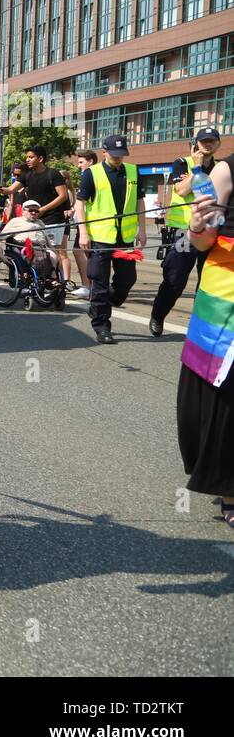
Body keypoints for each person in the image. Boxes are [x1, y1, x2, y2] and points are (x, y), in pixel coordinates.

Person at [176, 155, 234, 529]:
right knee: (227, 393)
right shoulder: (227, 170)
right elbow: (203, 238)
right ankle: (230, 488)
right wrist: (198, 226)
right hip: (228, 295)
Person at [75, 134, 146, 344]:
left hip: (125, 238)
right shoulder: (91, 174)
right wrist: (84, 233)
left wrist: (142, 229)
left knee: (127, 279)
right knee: (99, 282)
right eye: (114, 155)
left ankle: (103, 303)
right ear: (104, 152)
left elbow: (139, 202)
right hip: (100, 238)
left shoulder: (133, 171)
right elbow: (80, 204)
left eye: (121, 155)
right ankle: (102, 326)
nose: (118, 158)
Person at [151, 129, 222, 336]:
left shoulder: (221, 167)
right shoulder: (183, 163)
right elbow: (182, 190)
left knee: (208, 282)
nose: (207, 145)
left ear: (218, 144)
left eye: (211, 141)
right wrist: (197, 168)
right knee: (175, 280)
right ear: (196, 143)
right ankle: (158, 315)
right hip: (184, 231)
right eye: (203, 141)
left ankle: (199, 325)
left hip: (212, 230)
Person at [19, 145, 71, 284]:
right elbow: (9, 190)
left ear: (40, 158)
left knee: (53, 252)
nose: (27, 160)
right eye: (27, 157)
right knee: (36, 252)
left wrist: (43, 209)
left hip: (53, 219)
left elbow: (63, 196)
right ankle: (42, 281)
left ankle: (54, 282)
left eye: (31, 157)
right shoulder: (26, 175)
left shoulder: (53, 174)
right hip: (35, 221)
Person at [67, 150, 97, 298]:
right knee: (88, 252)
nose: (79, 166)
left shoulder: (89, 174)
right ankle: (92, 286)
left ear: (90, 161)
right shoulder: (94, 174)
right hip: (89, 219)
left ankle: (88, 286)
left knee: (80, 251)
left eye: (81, 162)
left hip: (87, 220)